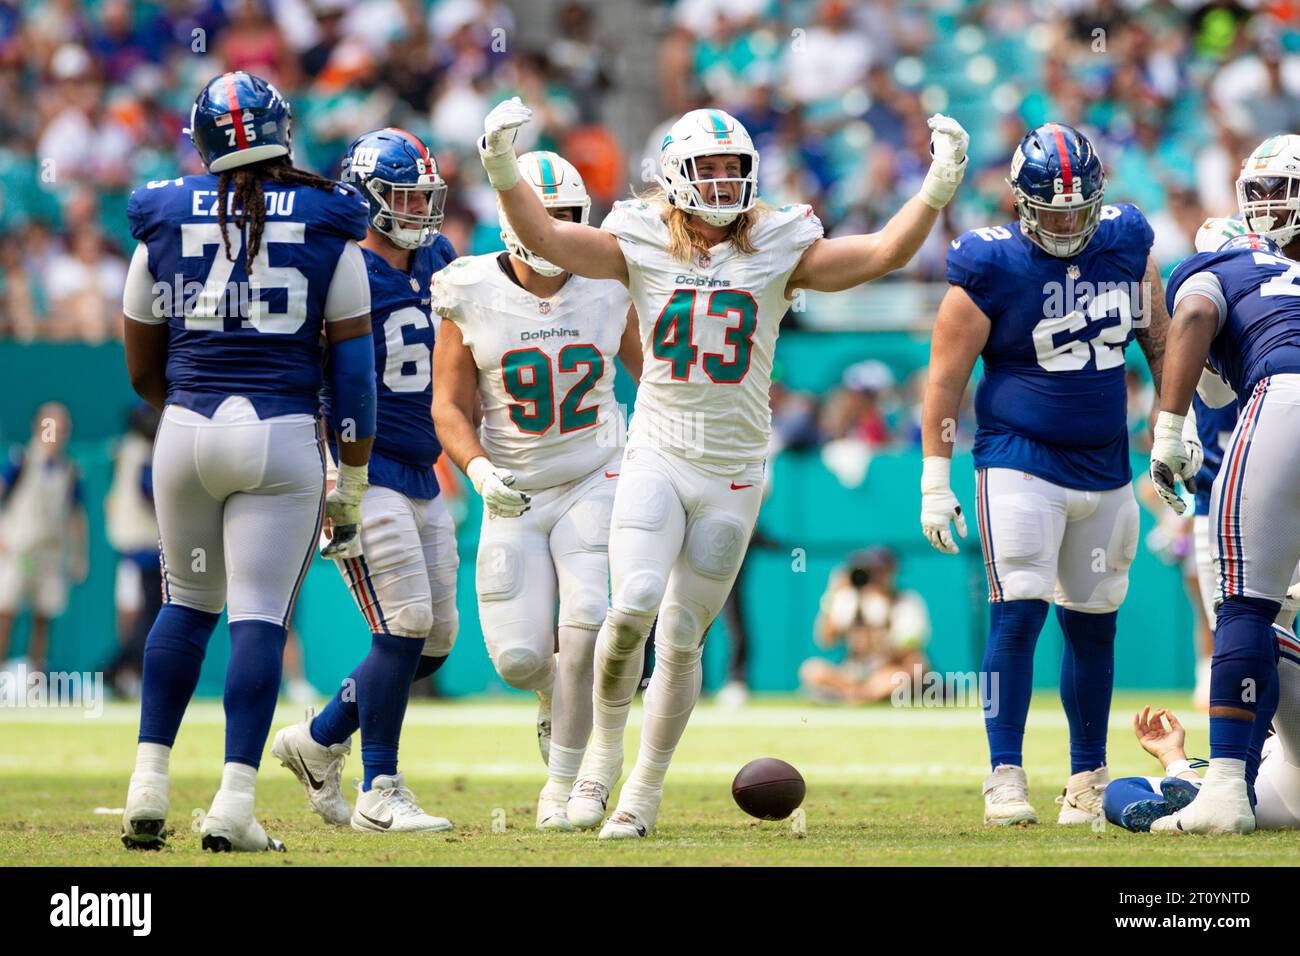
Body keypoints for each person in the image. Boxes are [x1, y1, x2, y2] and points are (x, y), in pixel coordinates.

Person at [478, 96, 970, 838]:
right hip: (658, 452)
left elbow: (881, 255)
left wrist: (937, 182)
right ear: (675, 175)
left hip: (736, 470)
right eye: (704, 169)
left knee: (680, 635)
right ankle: (595, 771)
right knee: (633, 604)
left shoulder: (778, 240)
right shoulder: (638, 235)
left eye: (731, 168)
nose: (719, 182)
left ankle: (642, 793)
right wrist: (501, 167)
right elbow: (542, 232)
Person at [119, 71, 376, 852]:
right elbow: (355, 375)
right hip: (280, 434)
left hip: (188, 429)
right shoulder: (330, 219)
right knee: (258, 616)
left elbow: (140, 364)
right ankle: (233, 802)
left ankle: (147, 787)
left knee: (185, 605)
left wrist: (188, 413)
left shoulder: (161, 211)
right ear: (282, 132)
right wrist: (353, 476)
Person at [919, 123, 1172, 826]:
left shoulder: (1126, 240)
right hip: (1018, 458)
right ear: (1022, 203)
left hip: (1105, 463)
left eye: (1075, 208)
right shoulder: (989, 261)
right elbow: (943, 381)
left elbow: (1159, 337)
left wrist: (1171, 425)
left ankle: (1088, 778)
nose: (1064, 223)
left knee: (1094, 627)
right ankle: (1005, 773)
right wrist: (933, 479)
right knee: (1019, 610)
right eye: (1050, 210)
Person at [433, 151, 641, 831]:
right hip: (513, 489)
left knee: (584, 627)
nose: (557, 229)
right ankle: (558, 696)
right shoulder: (467, 289)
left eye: (569, 217)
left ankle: (564, 785)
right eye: (546, 215)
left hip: (595, 475)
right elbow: (448, 407)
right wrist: (480, 471)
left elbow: (661, 374)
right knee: (522, 660)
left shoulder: (609, 284)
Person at [272, 127, 460, 834]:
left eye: (425, 196)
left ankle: (320, 738)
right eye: (405, 198)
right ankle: (381, 788)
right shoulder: (338, 268)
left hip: (421, 465)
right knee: (403, 624)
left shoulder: (436, 255)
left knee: (435, 641)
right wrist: (325, 469)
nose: (420, 211)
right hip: (359, 465)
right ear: (367, 199)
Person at [1147, 134, 1300, 834]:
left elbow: (1199, 315)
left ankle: (1227, 785)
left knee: (1246, 608)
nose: (1270, 205)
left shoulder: (1221, 265)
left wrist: (1168, 428)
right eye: (1260, 191)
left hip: (1286, 395)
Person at [1104, 625, 1300, 832]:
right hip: (1276, 793)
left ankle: (1231, 794)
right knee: (1118, 790)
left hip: (1274, 782)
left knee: (1256, 632)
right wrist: (1174, 759)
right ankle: (1178, 821)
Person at [0, 402, 88, 674]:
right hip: (17, 549)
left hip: (50, 554)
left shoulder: (70, 469)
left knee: (44, 616)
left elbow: (76, 516)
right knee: (6, 612)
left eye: (61, 428)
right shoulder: (21, 459)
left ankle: (34, 680)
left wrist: (79, 555)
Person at [799, 546, 930, 703]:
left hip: (887, 670)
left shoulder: (906, 601)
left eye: (877, 569)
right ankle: (860, 695)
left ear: (891, 570)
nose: (873, 574)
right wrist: (832, 593)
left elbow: (909, 651)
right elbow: (826, 639)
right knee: (812, 670)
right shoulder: (848, 599)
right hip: (853, 672)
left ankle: (850, 696)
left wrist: (876, 641)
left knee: (911, 669)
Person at [103, 401, 161, 699]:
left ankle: (124, 671)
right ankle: (117, 670)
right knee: (144, 615)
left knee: (143, 614)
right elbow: (149, 493)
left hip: (138, 545)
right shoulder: (141, 452)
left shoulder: (124, 449)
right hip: (142, 545)